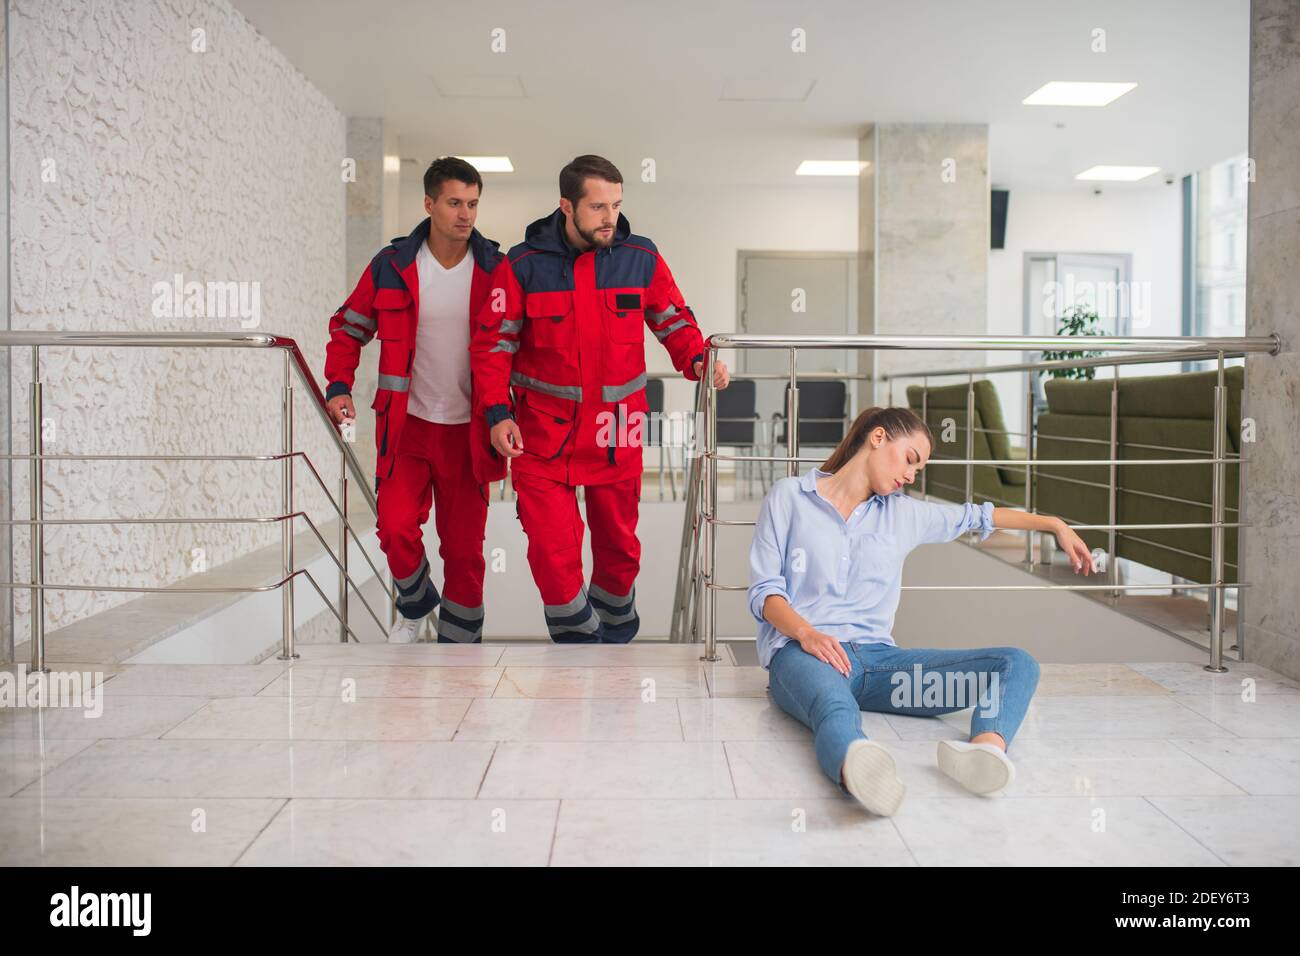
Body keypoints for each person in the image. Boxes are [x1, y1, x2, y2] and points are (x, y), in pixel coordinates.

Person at [748, 405, 1096, 815]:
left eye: (919, 468)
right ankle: (855, 767)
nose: (912, 475)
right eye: (910, 459)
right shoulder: (790, 496)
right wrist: (807, 634)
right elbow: (765, 593)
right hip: (803, 654)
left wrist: (1054, 523)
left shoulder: (904, 515)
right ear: (877, 438)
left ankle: (983, 751)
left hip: (881, 668)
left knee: (1015, 664)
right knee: (834, 706)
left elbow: (979, 516)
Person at [471, 154, 730, 643]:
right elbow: (493, 345)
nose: (610, 217)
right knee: (553, 552)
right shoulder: (523, 265)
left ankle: (613, 642)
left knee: (620, 552)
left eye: (616, 204)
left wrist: (698, 359)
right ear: (566, 206)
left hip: (617, 432)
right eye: (597, 206)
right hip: (544, 436)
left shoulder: (641, 258)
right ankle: (578, 645)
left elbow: (673, 320)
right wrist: (497, 412)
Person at [323, 158, 505, 644]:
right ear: (429, 204)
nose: (465, 214)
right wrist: (339, 385)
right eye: (454, 203)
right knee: (394, 525)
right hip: (407, 425)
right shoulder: (394, 264)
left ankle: (461, 646)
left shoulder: (495, 269)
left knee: (464, 549)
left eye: (472, 204)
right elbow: (348, 327)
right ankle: (417, 601)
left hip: (470, 430)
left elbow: (516, 347)